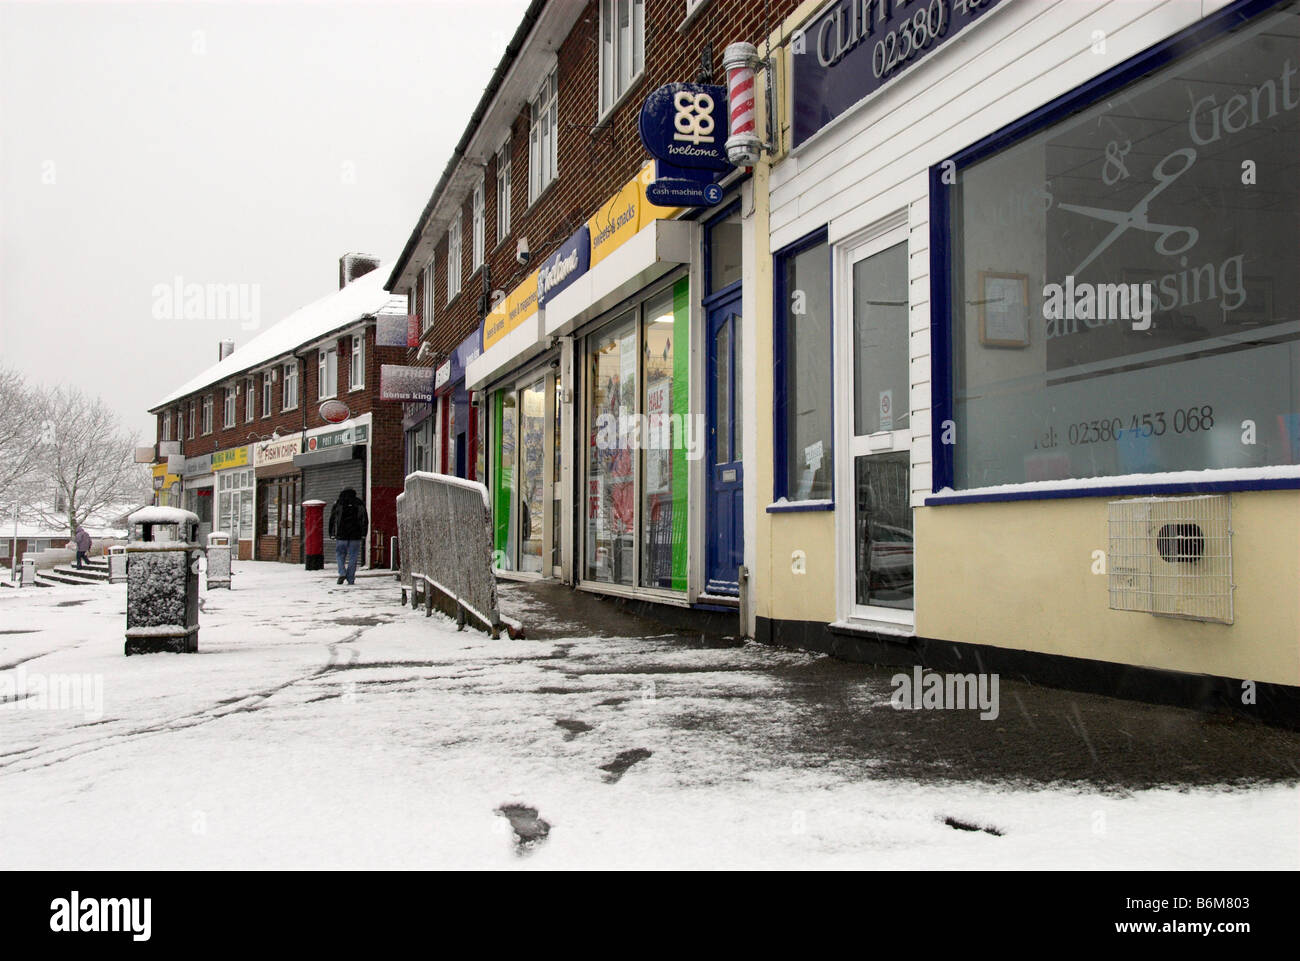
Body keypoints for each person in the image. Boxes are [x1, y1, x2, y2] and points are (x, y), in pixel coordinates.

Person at [328, 488, 367, 585]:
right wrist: (363, 533)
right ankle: (350, 578)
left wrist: (331, 533)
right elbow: (365, 519)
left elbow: (332, 519)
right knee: (353, 556)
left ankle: (342, 572)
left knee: (340, 555)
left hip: (341, 535)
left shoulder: (338, 503)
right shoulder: (359, 503)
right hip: (355, 535)